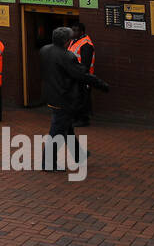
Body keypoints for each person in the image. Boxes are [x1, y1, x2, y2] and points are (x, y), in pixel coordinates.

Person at [40, 27, 109, 168]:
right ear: (66, 41)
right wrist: (102, 85)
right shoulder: (67, 56)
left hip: (51, 94)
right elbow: (82, 75)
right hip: (64, 97)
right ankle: (48, 163)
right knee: (57, 130)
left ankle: (79, 154)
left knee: (66, 127)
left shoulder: (45, 50)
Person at [68, 23, 96, 127]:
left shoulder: (86, 45)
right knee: (76, 98)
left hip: (82, 77)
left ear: (82, 32)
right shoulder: (74, 41)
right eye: (72, 30)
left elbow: (85, 64)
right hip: (74, 75)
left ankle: (83, 120)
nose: (73, 32)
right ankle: (76, 118)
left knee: (82, 99)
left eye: (75, 30)